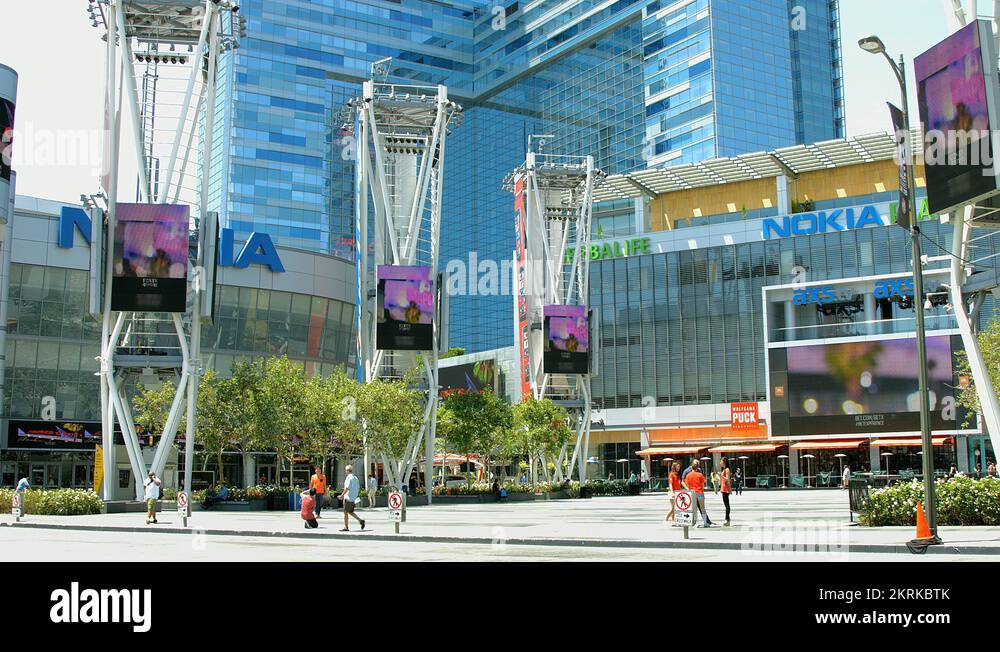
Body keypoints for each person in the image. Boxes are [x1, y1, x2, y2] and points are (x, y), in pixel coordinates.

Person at [681, 459, 712, 527]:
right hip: (700, 492)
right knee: (702, 508)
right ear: (697, 467)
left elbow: (686, 484)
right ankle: (705, 523)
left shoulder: (688, 475)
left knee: (694, 509)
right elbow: (703, 483)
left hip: (692, 493)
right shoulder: (700, 474)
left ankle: (696, 523)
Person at [337, 465, 366, 532]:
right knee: (350, 511)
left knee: (345, 513)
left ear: (347, 471)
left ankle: (346, 527)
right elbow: (357, 488)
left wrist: (342, 495)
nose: (345, 472)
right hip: (353, 498)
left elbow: (347, 488)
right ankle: (360, 520)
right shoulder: (356, 478)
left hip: (348, 498)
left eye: (345, 470)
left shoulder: (349, 478)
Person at [720, 459, 732, 527]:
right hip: (723, 488)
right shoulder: (724, 469)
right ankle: (727, 519)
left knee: (727, 505)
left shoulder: (726, 469)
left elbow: (727, 479)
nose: (720, 463)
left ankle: (727, 519)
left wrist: (721, 476)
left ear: (724, 462)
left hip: (725, 489)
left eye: (721, 461)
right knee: (726, 504)